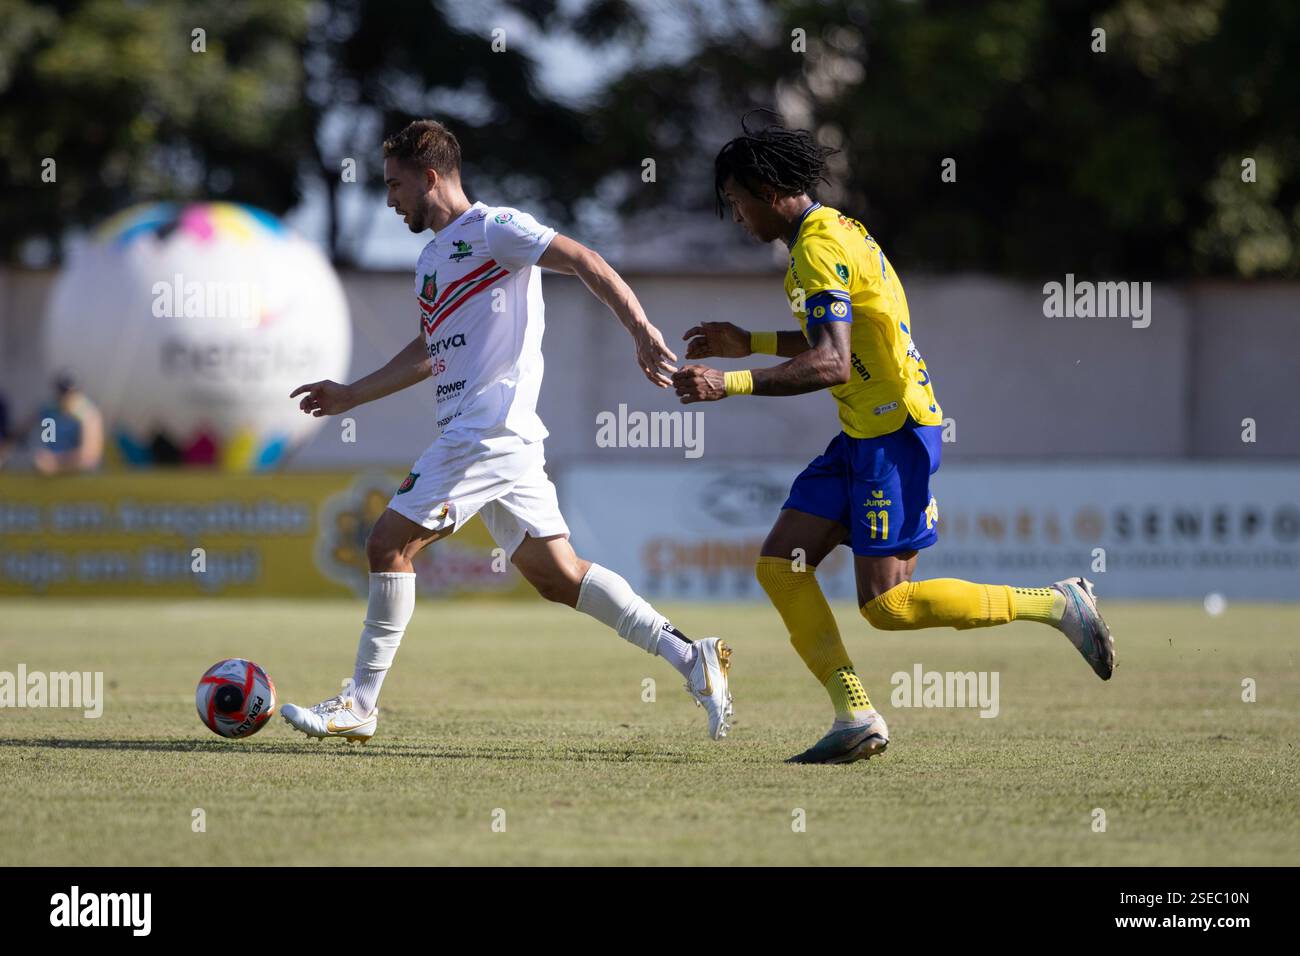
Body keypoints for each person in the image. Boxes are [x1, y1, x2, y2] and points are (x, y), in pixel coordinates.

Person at [672, 113, 1114, 765]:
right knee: (780, 565)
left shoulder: (817, 247)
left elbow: (832, 364)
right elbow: (848, 342)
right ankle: (854, 714)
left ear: (767, 192)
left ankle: (1055, 603)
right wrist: (754, 342)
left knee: (888, 605)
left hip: (894, 434)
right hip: (863, 434)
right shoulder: (834, 230)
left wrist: (728, 384)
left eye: (736, 204)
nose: (736, 219)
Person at [282, 119, 732, 744]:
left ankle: (359, 703)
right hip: (501, 439)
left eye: (394, 185)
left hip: (485, 432)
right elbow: (431, 348)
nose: (388, 199)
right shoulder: (432, 259)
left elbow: (584, 259)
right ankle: (692, 656)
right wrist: (353, 393)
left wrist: (639, 328)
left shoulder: (495, 227)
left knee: (388, 545)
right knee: (558, 576)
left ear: (430, 177)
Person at [0, 375, 103, 474]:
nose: (65, 397)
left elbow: (90, 457)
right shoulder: (48, 409)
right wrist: (6, 448)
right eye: (63, 392)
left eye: (70, 393)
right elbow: (20, 432)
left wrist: (57, 464)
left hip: (76, 474)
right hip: (42, 466)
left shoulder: (88, 414)